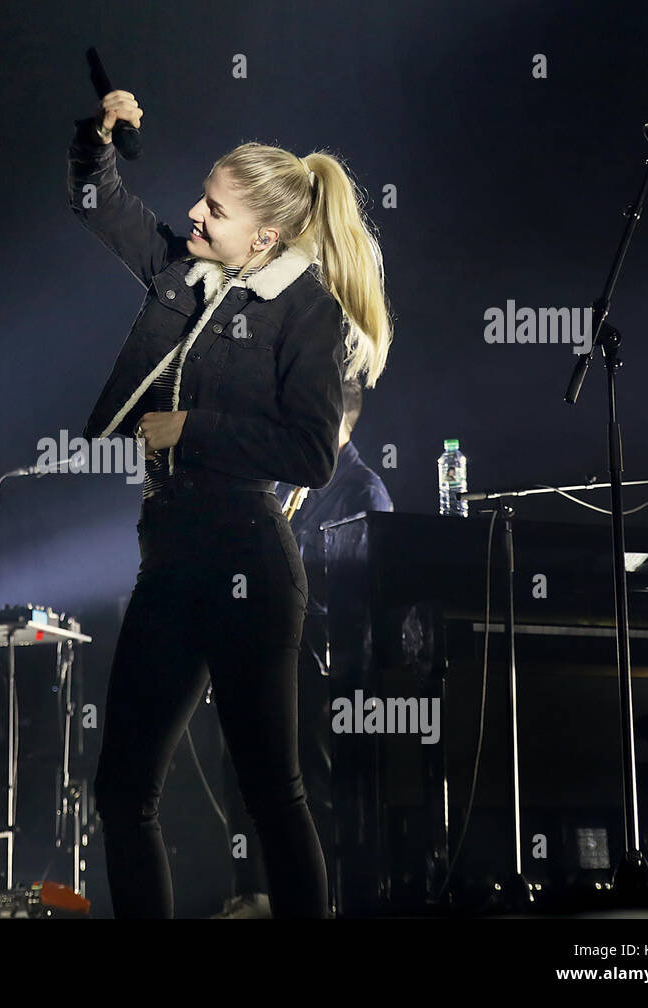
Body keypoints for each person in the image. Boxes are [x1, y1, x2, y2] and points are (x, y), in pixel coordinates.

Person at [69, 89, 392, 918]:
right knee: (121, 789)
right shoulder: (186, 272)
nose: (193, 215)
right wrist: (99, 139)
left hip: (249, 559)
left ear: (266, 235)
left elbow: (313, 453)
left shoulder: (311, 314)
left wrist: (191, 429)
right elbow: (103, 207)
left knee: (271, 793)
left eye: (212, 208)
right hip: (170, 563)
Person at [216, 378, 394, 918]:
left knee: (308, 790)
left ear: (336, 419)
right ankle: (259, 895)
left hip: (320, 667)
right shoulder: (293, 482)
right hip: (269, 654)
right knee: (246, 779)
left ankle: (321, 902)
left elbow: (366, 596)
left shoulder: (363, 491)